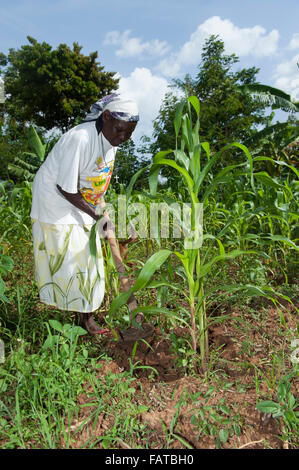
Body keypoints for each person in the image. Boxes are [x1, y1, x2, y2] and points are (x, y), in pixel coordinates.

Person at [30, 93, 139, 335]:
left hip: (80, 201)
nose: (123, 138)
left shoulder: (110, 144)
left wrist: (105, 218)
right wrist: (100, 218)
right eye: (120, 130)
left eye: (129, 134)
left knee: (88, 259)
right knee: (79, 260)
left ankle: (84, 318)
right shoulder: (80, 138)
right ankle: (83, 321)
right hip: (56, 203)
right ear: (107, 117)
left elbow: (96, 183)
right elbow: (65, 187)